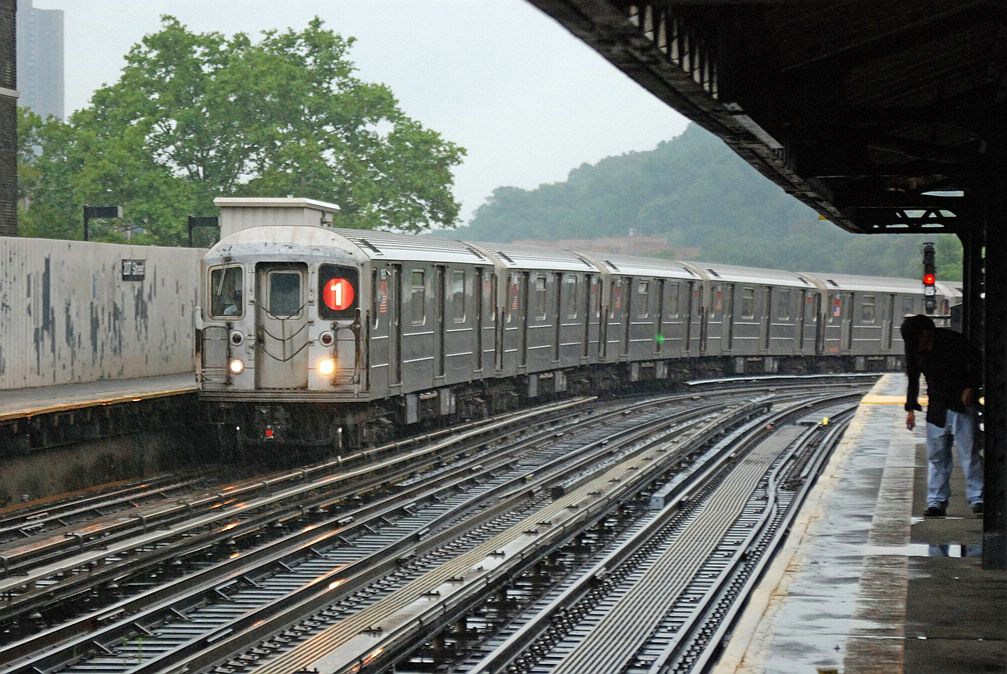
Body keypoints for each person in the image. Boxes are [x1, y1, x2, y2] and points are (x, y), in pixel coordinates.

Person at [901, 314, 983, 517]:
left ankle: (978, 498)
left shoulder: (953, 341)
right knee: (937, 457)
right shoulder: (914, 348)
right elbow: (913, 377)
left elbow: (978, 362)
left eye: (916, 340)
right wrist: (910, 408)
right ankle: (936, 501)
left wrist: (971, 387)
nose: (913, 346)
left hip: (962, 404)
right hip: (937, 407)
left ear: (926, 334)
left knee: (969, 454)